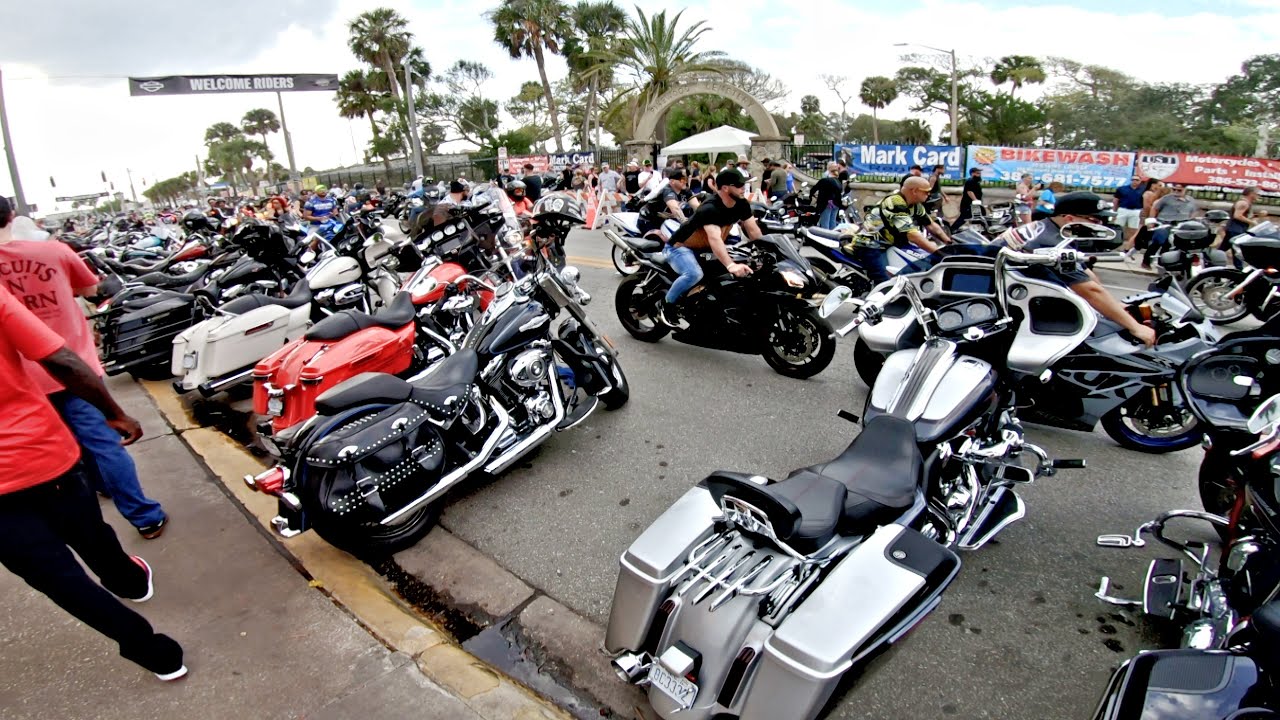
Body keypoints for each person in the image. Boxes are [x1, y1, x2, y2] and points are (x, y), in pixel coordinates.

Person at [0, 282, 187, 681]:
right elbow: (61, 359)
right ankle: (129, 580)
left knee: (58, 579)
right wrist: (114, 412)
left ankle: (152, 652)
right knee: (89, 533)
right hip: (42, 455)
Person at [0, 199, 167, 538]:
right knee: (105, 443)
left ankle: (96, 496)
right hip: (75, 373)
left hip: (21, 386)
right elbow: (91, 290)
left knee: (67, 451)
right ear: (12, 216)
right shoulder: (55, 251)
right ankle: (144, 516)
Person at [994, 192, 1157, 347]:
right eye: (1094, 220)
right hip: (1009, 307)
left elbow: (1087, 275)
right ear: (1070, 218)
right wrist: (1135, 327)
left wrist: (1114, 306)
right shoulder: (1051, 242)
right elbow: (1089, 291)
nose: (1100, 225)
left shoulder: (1054, 230)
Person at [656, 169, 763, 327]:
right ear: (725, 188)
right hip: (679, 247)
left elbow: (753, 230)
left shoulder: (741, 204)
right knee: (694, 274)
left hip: (703, 249)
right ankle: (667, 306)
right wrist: (731, 265)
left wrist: (766, 250)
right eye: (739, 185)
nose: (743, 188)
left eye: (744, 184)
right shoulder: (710, 208)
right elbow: (715, 239)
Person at [846, 176, 950, 283]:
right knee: (885, 282)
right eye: (926, 192)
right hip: (870, 245)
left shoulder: (915, 205)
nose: (929, 194)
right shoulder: (895, 202)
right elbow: (912, 235)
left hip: (891, 244)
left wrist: (949, 243)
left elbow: (931, 225)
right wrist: (938, 253)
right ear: (914, 191)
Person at [640, 169, 697, 237]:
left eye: (686, 179)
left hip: (666, 219)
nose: (685, 182)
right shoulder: (667, 190)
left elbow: (696, 206)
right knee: (658, 242)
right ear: (672, 181)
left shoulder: (686, 191)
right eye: (682, 180)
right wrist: (686, 224)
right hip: (649, 220)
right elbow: (675, 209)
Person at [1225, 186, 1259, 267]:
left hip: (1234, 229)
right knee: (1238, 252)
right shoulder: (1244, 203)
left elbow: (1243, 216)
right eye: (1257, 194)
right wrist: (1252, 222)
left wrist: (1256, 215)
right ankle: (1239, 272)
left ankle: (1212, 264)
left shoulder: (1246, 203)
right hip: (1236, 230)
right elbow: (1237, 216)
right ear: (1251, 194)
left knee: (1223, 250)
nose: (1258, 196)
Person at [1113, 175, 1146, 253]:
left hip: (1136, 211)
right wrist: (1115, 211)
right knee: (1118, 228)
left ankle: (1130, 246)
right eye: (1133, 179)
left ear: (1140, 181)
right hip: (1123, 209)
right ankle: (1116, 245)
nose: (1135, 181)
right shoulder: (1122, 189)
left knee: (1133, 229)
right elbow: (1116, 200)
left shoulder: (1143, 190)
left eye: (1137, 180)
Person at [811, 162, 843, 230]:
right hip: (836, 203)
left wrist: (811, 196)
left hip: (827, 203)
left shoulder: (825, 180)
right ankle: (833, 236)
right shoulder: (838, 182)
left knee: (825, 222)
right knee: (833, 221)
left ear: (829, 171)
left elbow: (814, 189)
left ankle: (826, 237)